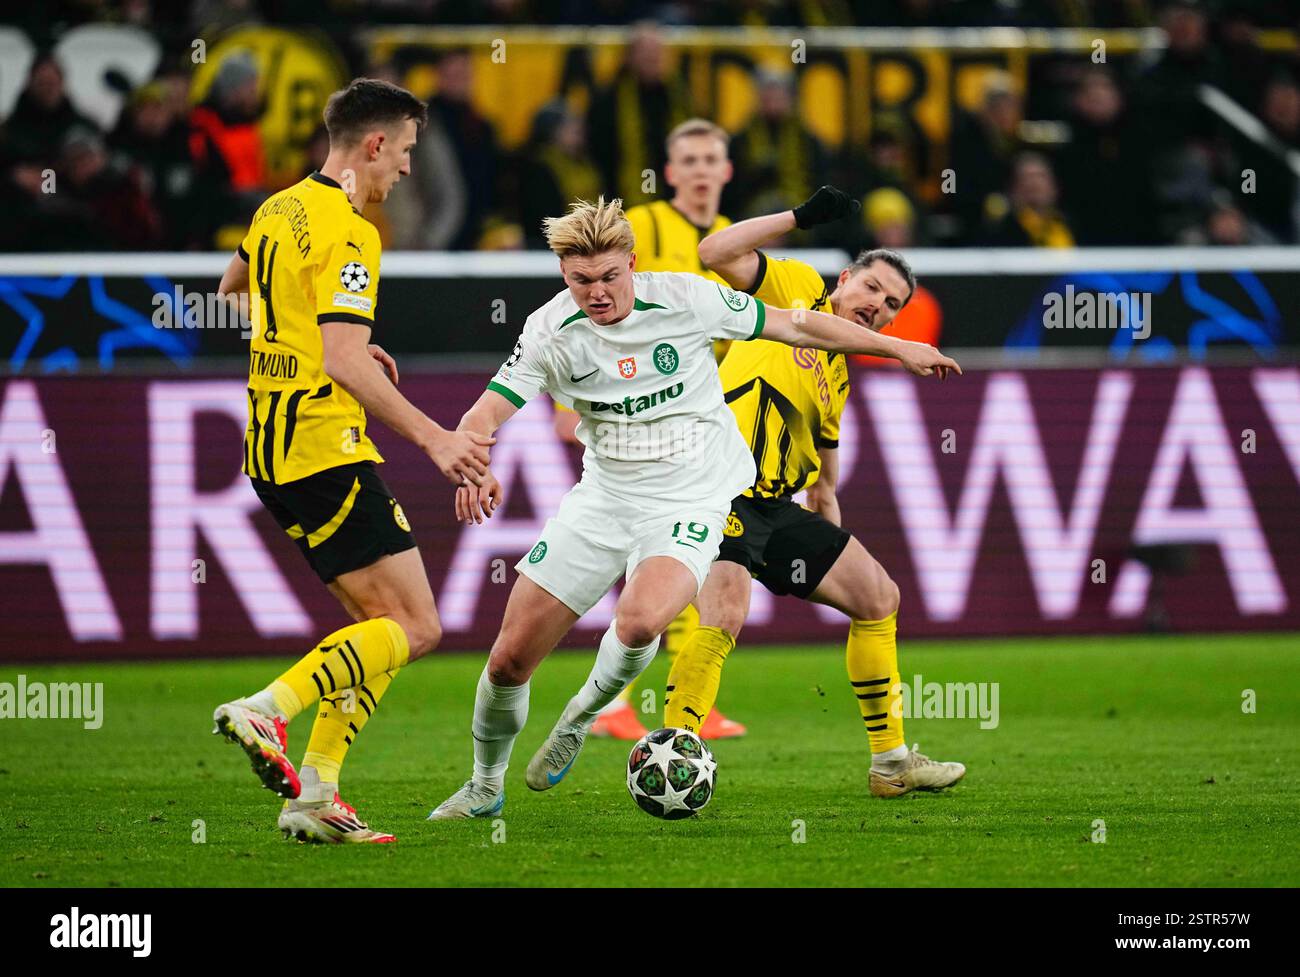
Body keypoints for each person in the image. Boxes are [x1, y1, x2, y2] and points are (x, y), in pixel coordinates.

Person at [427, 196, 959, 820]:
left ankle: (584, 715)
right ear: (563, 276)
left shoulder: (683, 299)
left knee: (642, 622)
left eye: (608, 277)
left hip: (696, 495)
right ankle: (485, 786)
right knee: (510, 658)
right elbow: (489, 407)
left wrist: (897, 353)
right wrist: (473, 457)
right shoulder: (549, 329)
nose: (596, 293)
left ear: (632, 264)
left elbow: (802, 339)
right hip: (603, 498)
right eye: (580, 281)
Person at [209, 79, 493, 843]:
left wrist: (322, 343)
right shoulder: (353, 230)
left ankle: (318, 792)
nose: (404, 170)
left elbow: (232, 288)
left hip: (269, 450)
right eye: (402, 153)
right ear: (373, 145)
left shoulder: (276, 207)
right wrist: (436, 438)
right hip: (323, 445)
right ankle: (265, 709)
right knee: (419, 624)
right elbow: (338, 359)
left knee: (378, 628)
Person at [660, 186, 967, 798]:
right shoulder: (794, 286)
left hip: (773, 506)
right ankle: (673, 753)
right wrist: (799, 218)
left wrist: (830, 534)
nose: (878, 307)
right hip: (717, 488)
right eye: (872, 289)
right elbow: (715, 249)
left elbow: (824, 479)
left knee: (878, 596)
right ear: (845, 278)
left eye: (892, 305)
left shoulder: (837, 374)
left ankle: (891, 762)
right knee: (725, 612)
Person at [573, 118, 748, 742]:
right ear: (670, 172)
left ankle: (685, 702)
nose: (701, 170)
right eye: (689, 160)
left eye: (711, 159)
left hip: (698, 419)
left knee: (690, 555)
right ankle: (613, 703)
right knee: (631, 557)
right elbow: (586, 300)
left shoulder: (733, 242)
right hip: (626, 415)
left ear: (726, 171)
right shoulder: (642, 226)